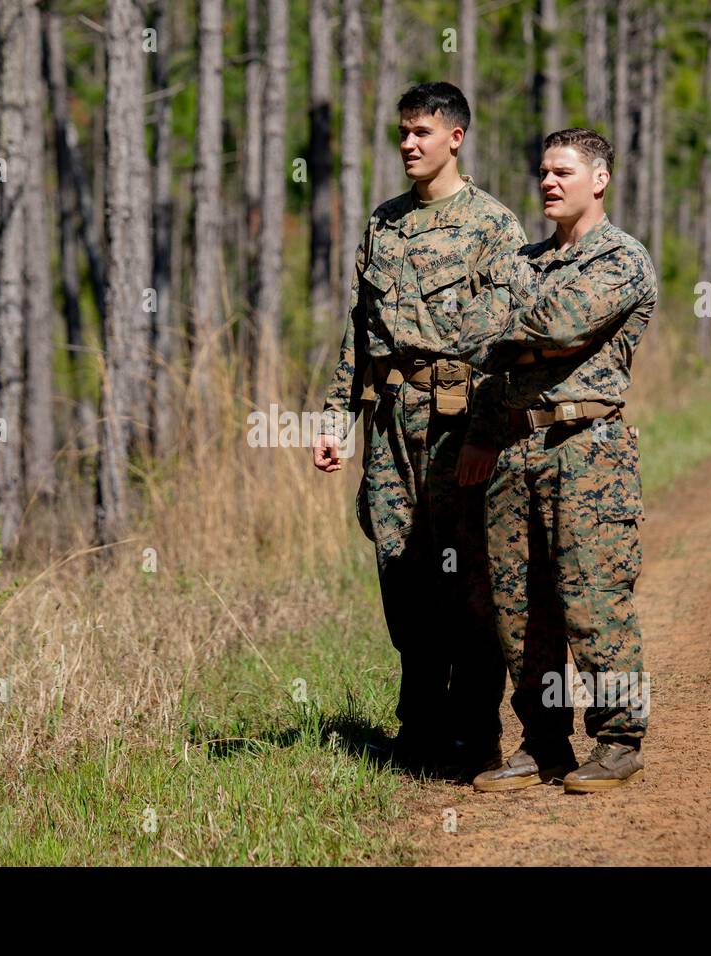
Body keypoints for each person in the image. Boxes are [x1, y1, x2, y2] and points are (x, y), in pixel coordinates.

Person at [312, 82, 525, 777]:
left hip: (457, 423)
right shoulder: (385, 223)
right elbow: (359, 328)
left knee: (466, 578)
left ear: (455, 138)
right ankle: (421, 726)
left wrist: (489, 433)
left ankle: (475, 730)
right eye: (403, 132)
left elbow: (507, 343)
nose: (408, 143)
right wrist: (337, 417)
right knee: (399, 573)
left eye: (422, 132)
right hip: (391, 423)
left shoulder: (494, 226)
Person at [458, 128, 657, 794]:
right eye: (542, 170)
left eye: (563, 171)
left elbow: (559, 325)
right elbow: (485, 337)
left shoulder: (621, 259)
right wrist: (484, 432)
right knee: (518, 609)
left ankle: (619, 738)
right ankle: (543, 743)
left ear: (598, 179)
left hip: (587, 448)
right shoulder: (526, 258)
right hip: (515, 448)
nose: (548, 182)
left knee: (593, 599)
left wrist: (511, 333)